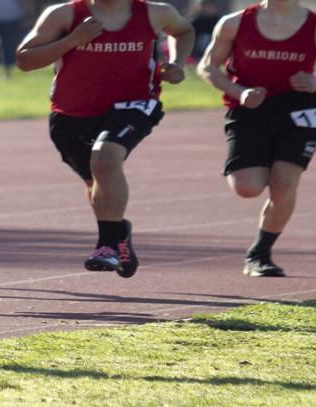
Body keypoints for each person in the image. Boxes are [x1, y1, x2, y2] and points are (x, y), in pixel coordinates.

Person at [17, 0, 194, 277]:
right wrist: (73, 40)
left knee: (105, 159)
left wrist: (177, 63)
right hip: (72, 114)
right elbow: (25, 60)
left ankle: (107, 246)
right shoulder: (64, 15)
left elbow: (184, 31)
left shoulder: (154, 12)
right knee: (96, 182)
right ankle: (118, 230)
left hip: (134, 104)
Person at [197, 0, 316, 278]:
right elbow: (207, 67)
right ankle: (260, 251)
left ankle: (260, 254)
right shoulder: (235, 23)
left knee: (284, 183)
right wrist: (239, 92)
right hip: (250, 107)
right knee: (247, 187)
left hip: (301, 109)